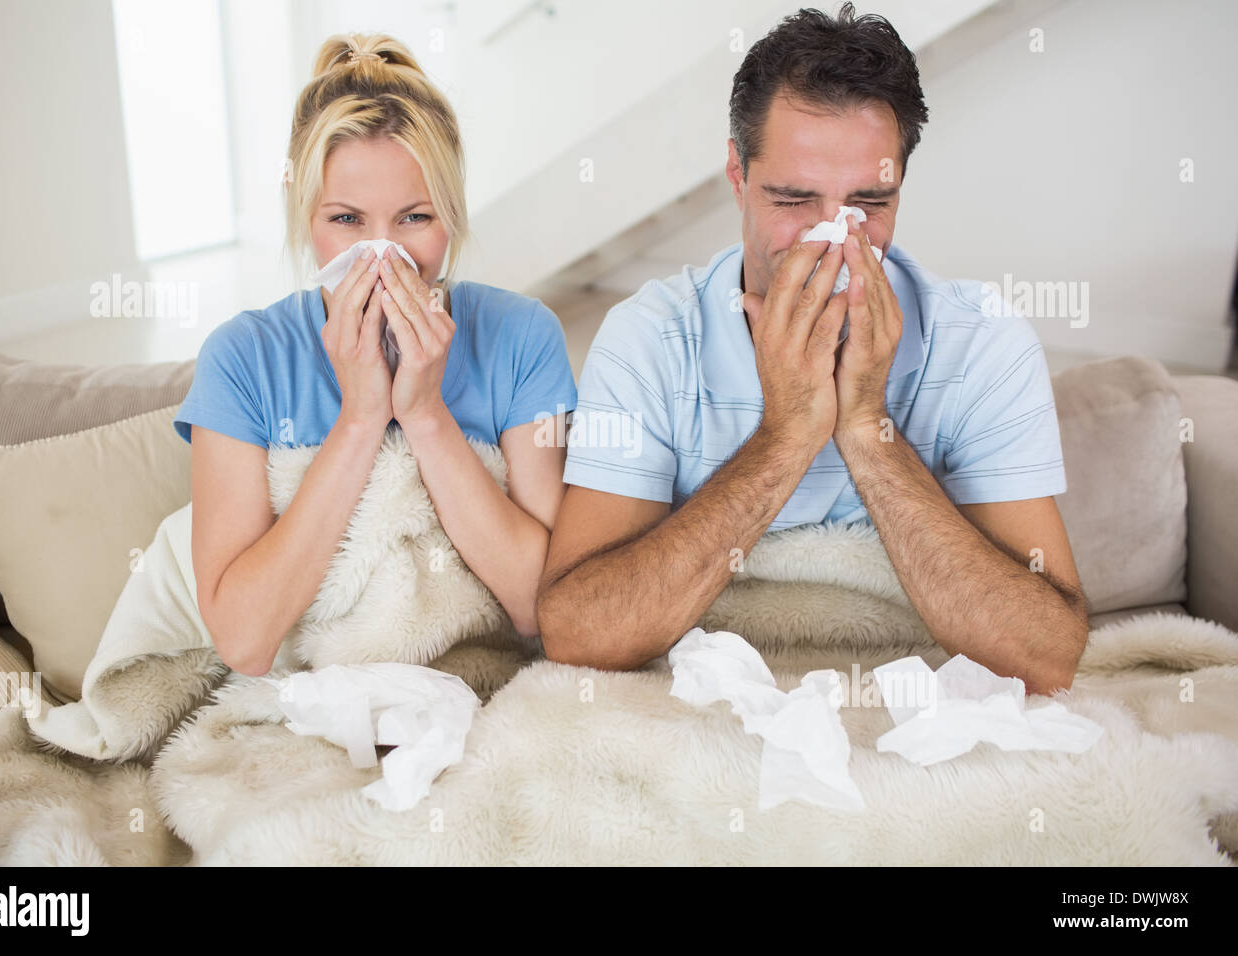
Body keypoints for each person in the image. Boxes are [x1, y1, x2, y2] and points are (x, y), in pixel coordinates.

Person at [536, 4, 1088, 696]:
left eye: (869, 202)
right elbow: (579, 631)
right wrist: (787, 433)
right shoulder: (650, 337)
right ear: (737, 177)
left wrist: (865, 426)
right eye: (794, 199)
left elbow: (1047, 656)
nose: (832, 237)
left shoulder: (983, 342)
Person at [173, 33, 576, 676]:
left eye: (414, 218)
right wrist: (361, 418)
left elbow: (543, 608)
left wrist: (425, 415)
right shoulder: (242, 357)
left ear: (453, 215)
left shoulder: (522, 334)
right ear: (304, 217)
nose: (383, 254)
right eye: (347, 220)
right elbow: (245, 642)